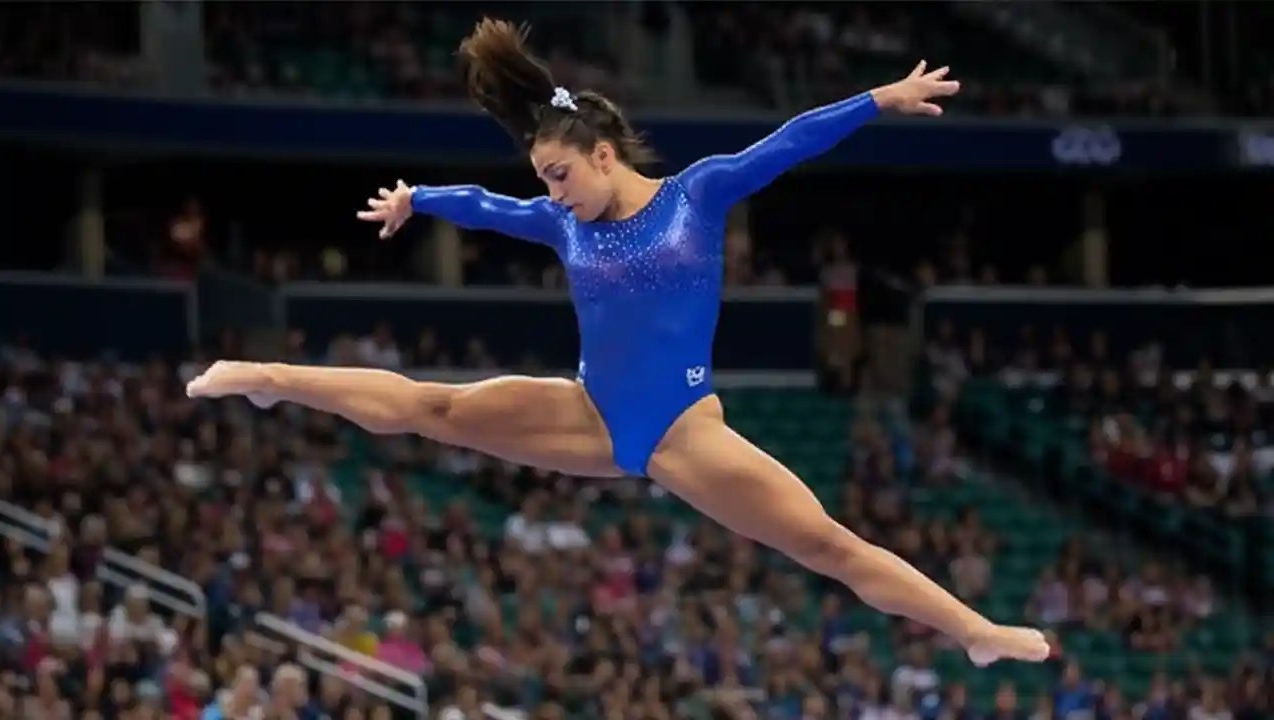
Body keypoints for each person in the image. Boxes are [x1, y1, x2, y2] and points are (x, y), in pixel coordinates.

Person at [188, 18, 1049, 666]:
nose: (554, 197)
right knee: (435, 406)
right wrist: (420, 201)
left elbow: (786, 143)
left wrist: (878, 100)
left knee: (826, 546)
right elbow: (493, 207)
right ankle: (268, 376)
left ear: (604, 155)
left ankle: (973, 632)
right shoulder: (565, 225)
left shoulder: (697, 196)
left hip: (682, 430)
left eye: (561, 176)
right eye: (545, 182)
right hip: (592, 416)